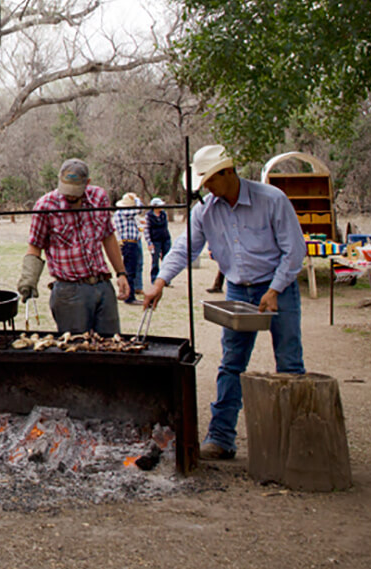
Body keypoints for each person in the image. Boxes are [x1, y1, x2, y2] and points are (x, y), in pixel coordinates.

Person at [144, 144, 306, 461]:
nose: (208, 190)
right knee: (231, 364)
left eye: (211, 182)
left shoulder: (271, 200)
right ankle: (221, 438)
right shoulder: (205, 211)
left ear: (228, 173)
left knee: (289, 363)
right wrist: (160, 281)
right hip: (237, 289)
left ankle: (296, 441)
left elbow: (294, 251)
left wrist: (274, 289)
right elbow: (183, 249)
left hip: (279, 288)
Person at [18, 159, 132, 335]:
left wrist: (121, 273)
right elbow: (34, 247)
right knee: (76, 348)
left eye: (75, 191)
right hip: (69, 291)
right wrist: (28, 280)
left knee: (111, 345)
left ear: (87, 183)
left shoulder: (99, 198)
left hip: (102, 285)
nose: (70, 196)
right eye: (66, 189)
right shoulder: (45, 206)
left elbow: (108, 237)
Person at [113, 194, 144, 305]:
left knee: (130, 269)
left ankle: (128, 293)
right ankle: (129, 297)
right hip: (129, 243)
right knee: (130, 270)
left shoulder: (122, 213)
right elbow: (139, 209)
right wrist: (136, 199)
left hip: (130, 243)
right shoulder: (124, 212)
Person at [146, 197, 172, 283]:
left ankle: (166, 279)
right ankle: (154, 279)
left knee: (166, 259)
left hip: (165, 239)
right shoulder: (149, 216)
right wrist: (149, 242)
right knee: (155, 261)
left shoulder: (163, 214)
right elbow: (146, 229)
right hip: (155, 240)